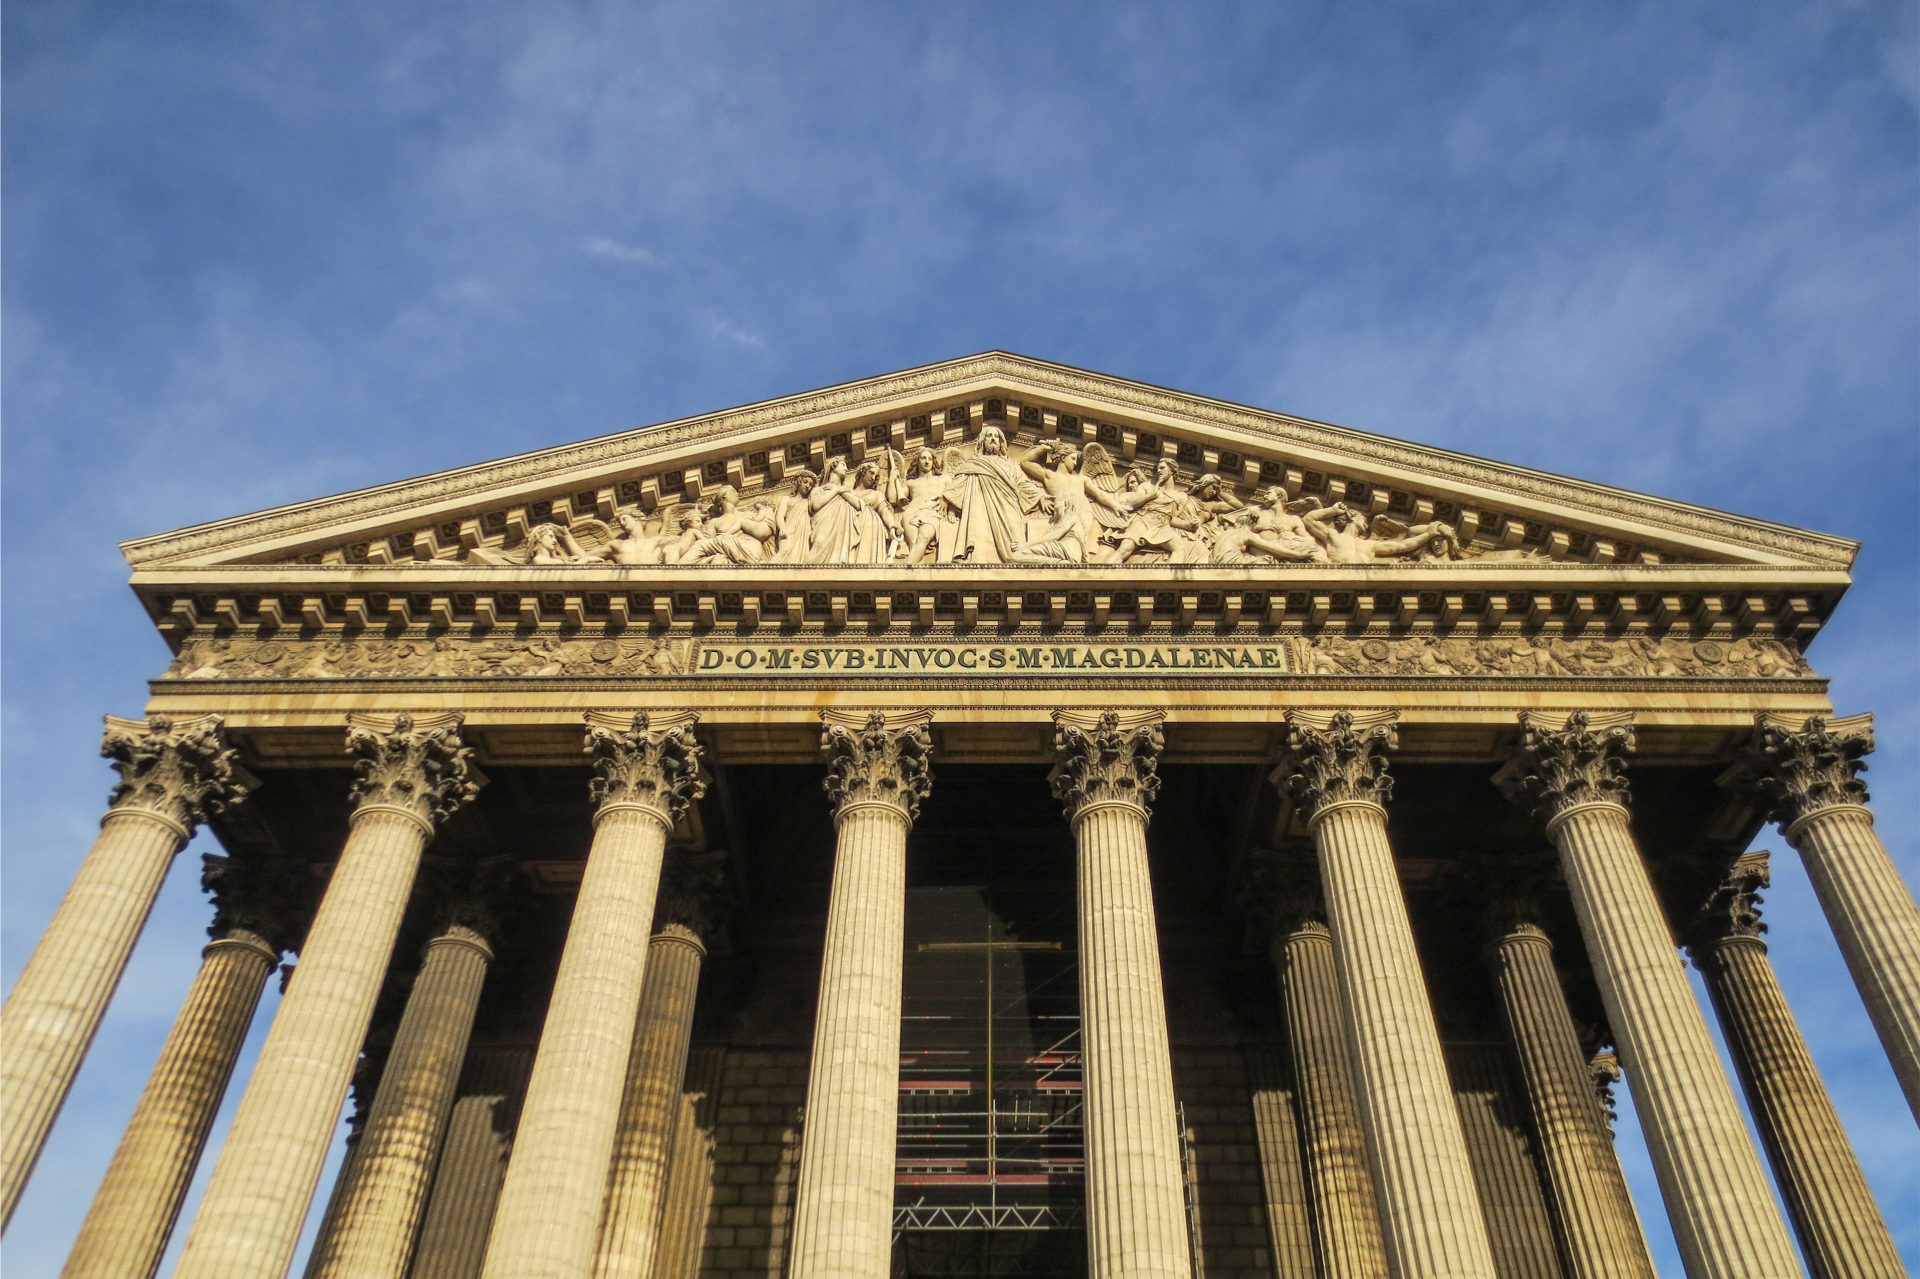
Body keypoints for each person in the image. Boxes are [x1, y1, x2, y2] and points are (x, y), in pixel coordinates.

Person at [937, 425, 1038, 564]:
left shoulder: (1011, 465)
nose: (993, 439)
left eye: (996, 436)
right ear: (982, 441)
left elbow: (1023, 483)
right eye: (989, 436)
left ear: (1001, 442)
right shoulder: (974, 463)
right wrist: (946, 497)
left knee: (1016, 550)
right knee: (980, 541)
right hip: (980, 507)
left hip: (1009, 507)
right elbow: (960, 481)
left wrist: (1041, 497)